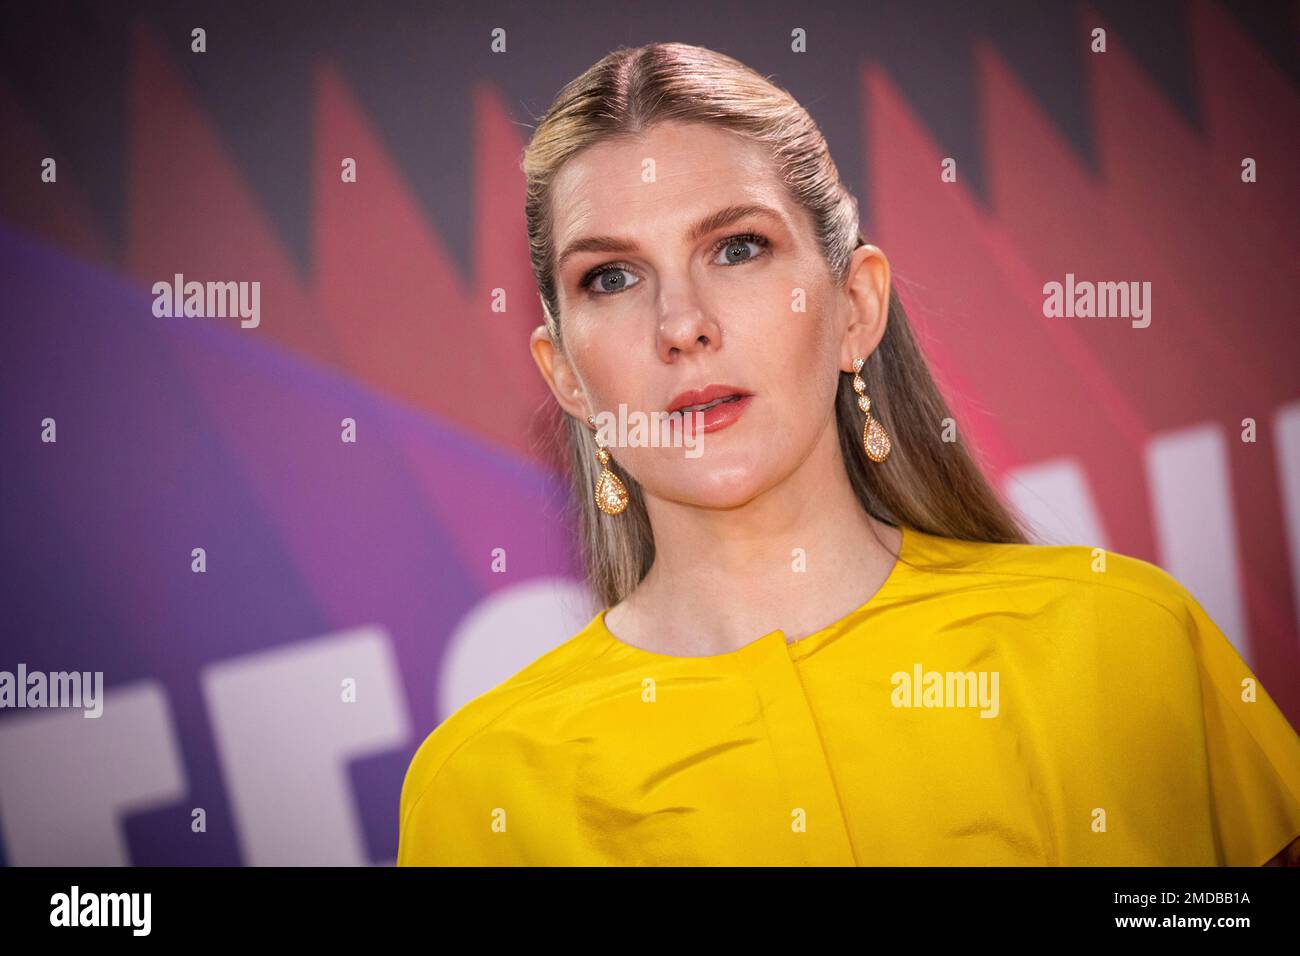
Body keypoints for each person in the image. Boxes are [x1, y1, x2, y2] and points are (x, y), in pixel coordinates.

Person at [397, 42, 1300, 866]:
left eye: (737, 247)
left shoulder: (1124, 643)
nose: (682, 326)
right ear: (565, 378)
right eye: (613, 277)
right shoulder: (482, 791)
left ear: (856, 308)